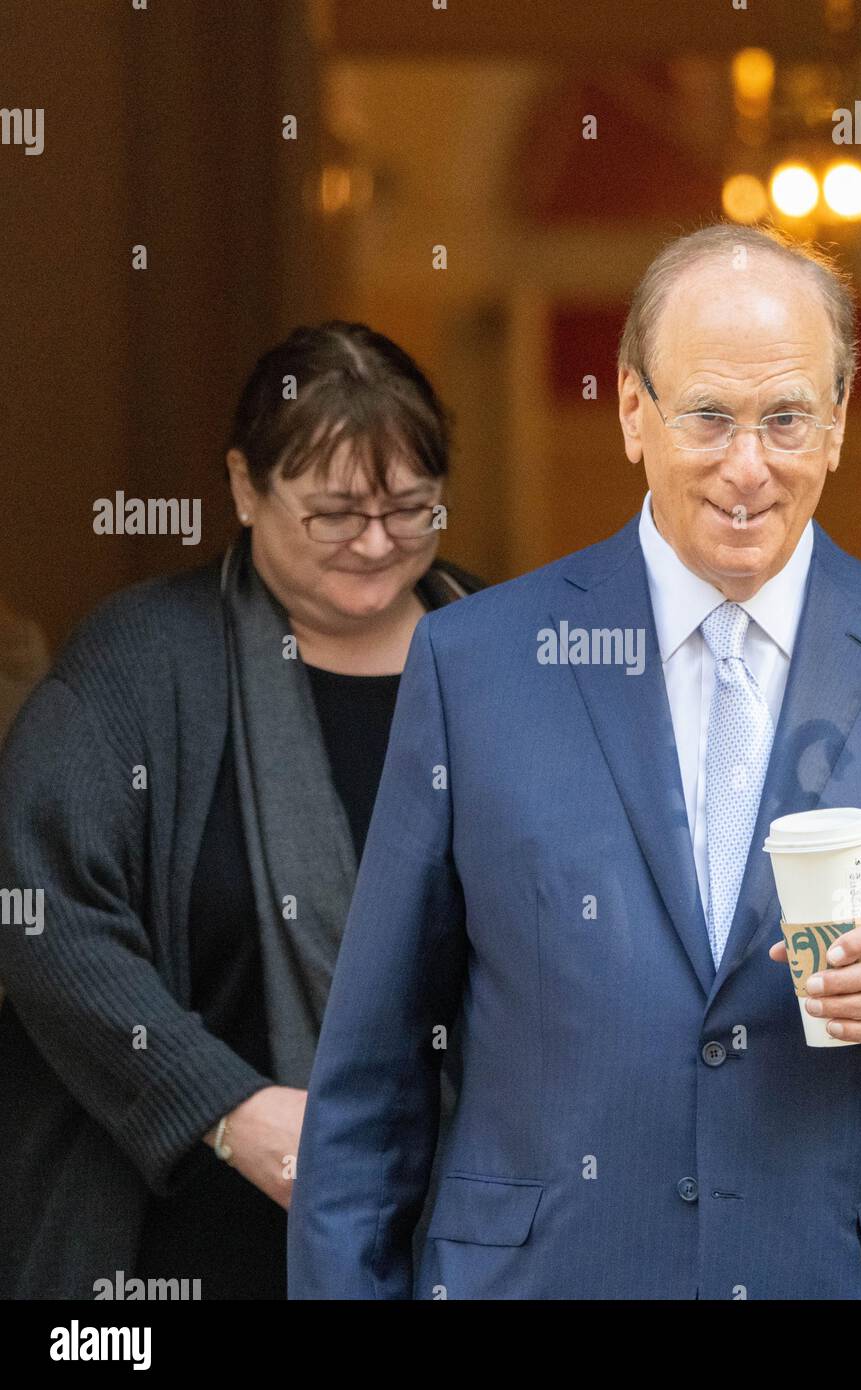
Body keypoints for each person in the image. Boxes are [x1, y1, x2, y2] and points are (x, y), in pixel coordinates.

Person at [288, 228, 861, 1300]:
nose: (747, 465)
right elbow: (367, 1080)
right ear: (633, 410)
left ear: (840, 420)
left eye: (787, 417)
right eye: (709, 414)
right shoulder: (474, 664)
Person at [0, 321, 483, 1298]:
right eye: (336, 513)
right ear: (243, 487)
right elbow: (40, 912)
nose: (378, 543)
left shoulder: (504, 657)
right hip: (182, 1233)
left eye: (411, 509)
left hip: (461, 1228)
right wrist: (225, 1107)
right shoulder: (139, 665)